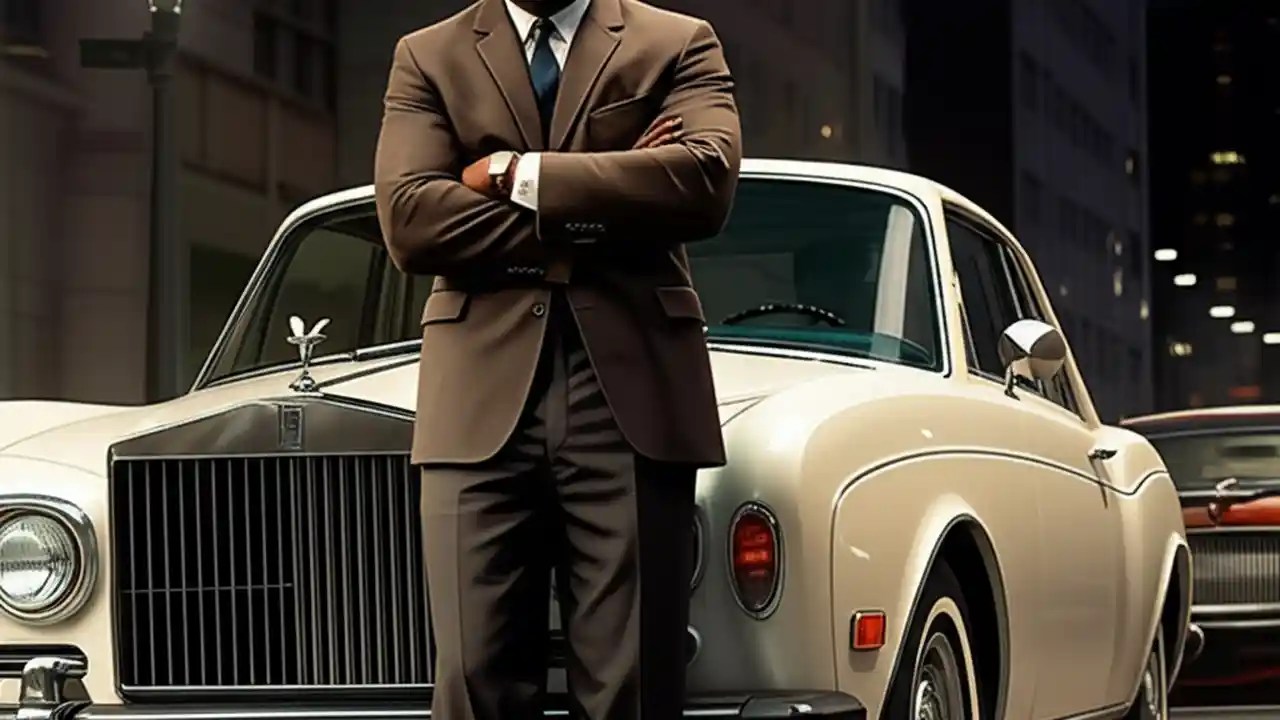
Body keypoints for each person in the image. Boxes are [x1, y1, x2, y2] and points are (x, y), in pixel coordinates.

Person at [373, 0, 741, 716]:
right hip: (475, 403)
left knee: (632, 685)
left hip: (634, 397)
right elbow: (412, 223)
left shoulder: (679, 42)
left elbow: (703, 183)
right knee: (473, 680)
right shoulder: (427, 55)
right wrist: (620, 187)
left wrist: (516, 174)